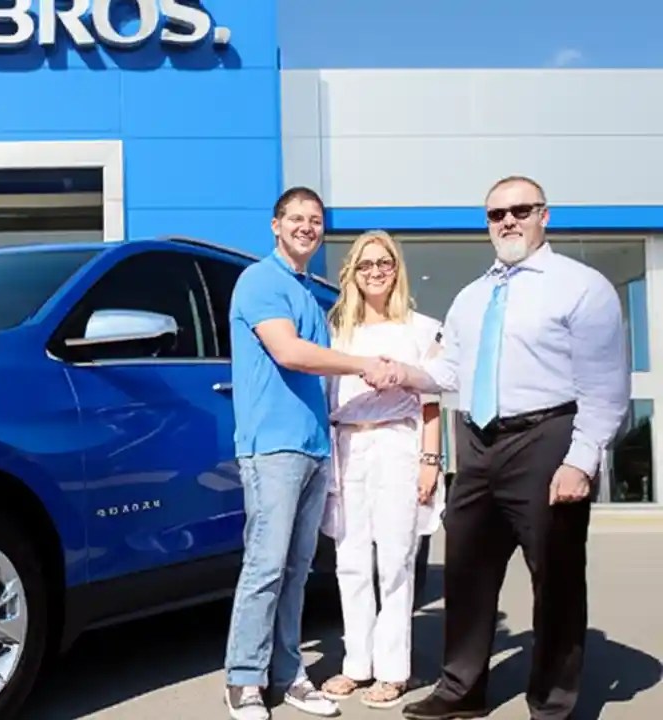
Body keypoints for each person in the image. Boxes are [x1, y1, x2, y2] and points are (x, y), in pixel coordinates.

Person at [379, 176, 631, 720]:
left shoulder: (581, 287)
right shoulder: (473, 296)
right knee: (467, 571)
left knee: (556, 579)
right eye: (496, 214)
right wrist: (406, 373)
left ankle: (552, 703)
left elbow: (606, 386)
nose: (507, 221)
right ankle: (460, 690)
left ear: (544, 215)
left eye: (520, 210)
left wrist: (580, 460)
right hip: (478, 442)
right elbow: (450, 371)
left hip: (547, 440)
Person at [223, 186, 394, 720]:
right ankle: (243, 680)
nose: (306, 226)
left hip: (314, 448)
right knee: (266, 566)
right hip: (272, 448)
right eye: (295, 218)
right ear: (276, 225)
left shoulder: (307, 293)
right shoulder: (260, 282)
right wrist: (362, 364)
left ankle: (288, 673)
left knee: (296, 569)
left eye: (315, 219)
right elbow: (291, 354)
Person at [316, 229, 447, 710]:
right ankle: (356, 664)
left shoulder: (420, 327)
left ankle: (393, 670)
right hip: (348, 448)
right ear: (352, 271)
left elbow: (432, 400)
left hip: (397, 445)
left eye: (384, 263)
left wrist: (430, 461)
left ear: (397, 269)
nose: (375, 271)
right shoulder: (336, 333)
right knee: (350, 562)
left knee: (394, 561)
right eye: (366, 264)